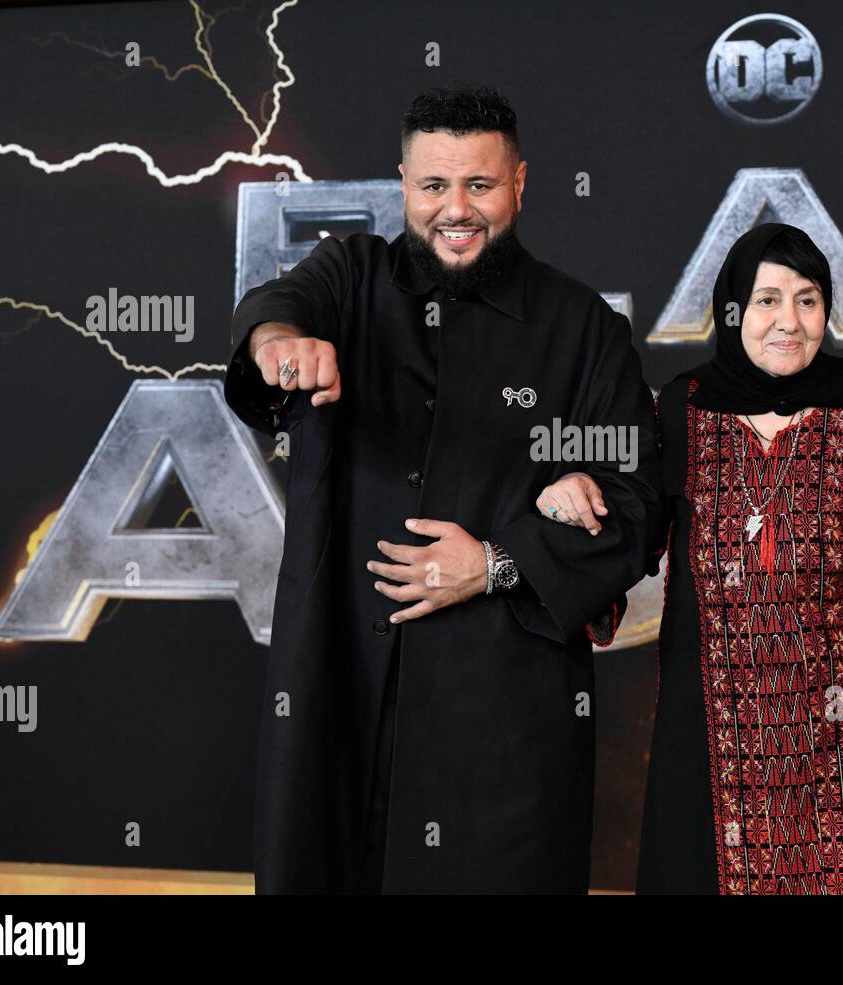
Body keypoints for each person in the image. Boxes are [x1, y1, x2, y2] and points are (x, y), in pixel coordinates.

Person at [223, 83, 663, 893]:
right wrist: (280, 342)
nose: (455, 209)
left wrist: (495, 562)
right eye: (433, 186)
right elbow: (276, 306)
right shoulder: (350, 278)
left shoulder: (584, 330)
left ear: (521, 184)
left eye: (480, 186)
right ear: (403, 184)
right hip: (338, 699)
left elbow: (637, 507)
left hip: (502, 730)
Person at [537, 223, 843, 894]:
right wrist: (565, 496)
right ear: (732, 310)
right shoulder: (681, 412)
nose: (790, 321)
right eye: (767, 300)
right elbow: (628, 532)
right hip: (714, 739)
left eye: (808, 300)